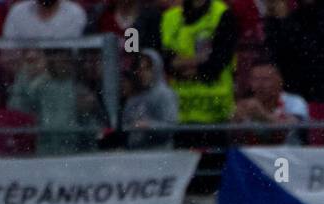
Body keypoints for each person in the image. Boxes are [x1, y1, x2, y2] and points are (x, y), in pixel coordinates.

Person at [159, 0, 240, 131]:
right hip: (180, 112)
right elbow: (165, 61)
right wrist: (200, 59)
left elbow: (217, 63)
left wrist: (181, 65)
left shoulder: (222, 14)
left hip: (215, 111)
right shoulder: (169, 17)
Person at [263, 0, 324, 104]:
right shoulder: (291, 17)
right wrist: (278, 21)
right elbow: (277, 50)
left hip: (323, 86)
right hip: (293, 84)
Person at [232, 59, 310, 144]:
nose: (260, 85)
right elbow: (232, 137)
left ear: (279, 80)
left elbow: (290, 127)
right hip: (252, 156)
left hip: (289, 154)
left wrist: (262, 115)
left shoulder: (295, 102)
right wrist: (236, 119)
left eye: (266, 79)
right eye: (256, 79)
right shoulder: (244, 105)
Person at [121, 48, 178, 148]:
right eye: (140, 69)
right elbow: (125, 124)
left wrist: (149, 126)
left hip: (159, 153)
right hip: (135, 153)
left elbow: (171, 126)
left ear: (156, 69)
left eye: (147, 69)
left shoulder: (165, 94)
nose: (142, 73)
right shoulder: (134, 96)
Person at [2, 0, 87, 40]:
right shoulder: (18, 12)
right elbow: (8, 53)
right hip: (24, 72)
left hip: (64, 73)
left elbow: (80, 55)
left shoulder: (75, 13)